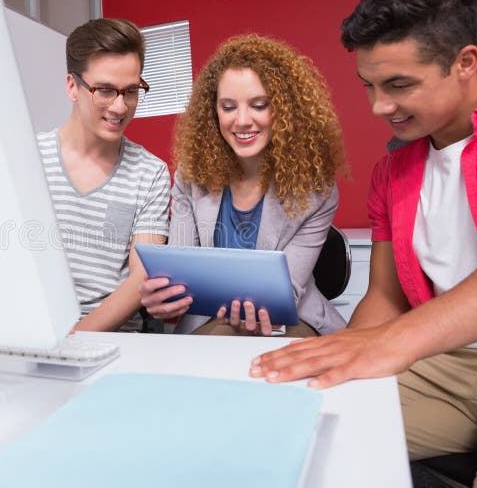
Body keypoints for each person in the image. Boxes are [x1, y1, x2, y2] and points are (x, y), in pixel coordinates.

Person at [251, 0, 477, 486]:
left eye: (399, 84)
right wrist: (339, 359)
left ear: (464, 62)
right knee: (287, 433)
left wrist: (397, 342)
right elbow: (386, 299)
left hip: (461, 360)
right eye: (370, 85)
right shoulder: (394, 170)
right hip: (442, 367)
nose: (379, 107)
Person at [139, 35, 348, 337]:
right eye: (228, 107)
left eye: (259, 105)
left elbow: (284, 293)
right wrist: (164, 299)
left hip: (289, 322)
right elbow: (180, 271)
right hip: (209, 321)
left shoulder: (316, 189)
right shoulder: (190, 176)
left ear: (284, 109)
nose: (242, 120)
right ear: (213, 113)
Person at [36, 18, 170, 332]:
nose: (120, 107)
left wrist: (74, 340)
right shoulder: (29, 157)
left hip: (114, 340)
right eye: (106, 91)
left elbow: (142, 275)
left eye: (131, 91)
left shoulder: (150, 173)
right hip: (36, 331)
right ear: (72, 86)